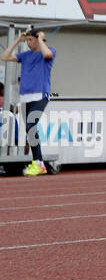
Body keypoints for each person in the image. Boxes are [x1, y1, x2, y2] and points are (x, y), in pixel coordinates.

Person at [1, 29, 55, 176]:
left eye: (31, 40)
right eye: (27, 40)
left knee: (32, 126)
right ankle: (38, 163)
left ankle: (39, 163)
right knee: (30, 131)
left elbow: (47, 54)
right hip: (25, 97)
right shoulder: (25, 55)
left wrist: (42, 39)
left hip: (40, 95)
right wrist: (18, 40)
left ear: (38, 40)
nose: (28, 43)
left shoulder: (48, 51)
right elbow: (4, 56)